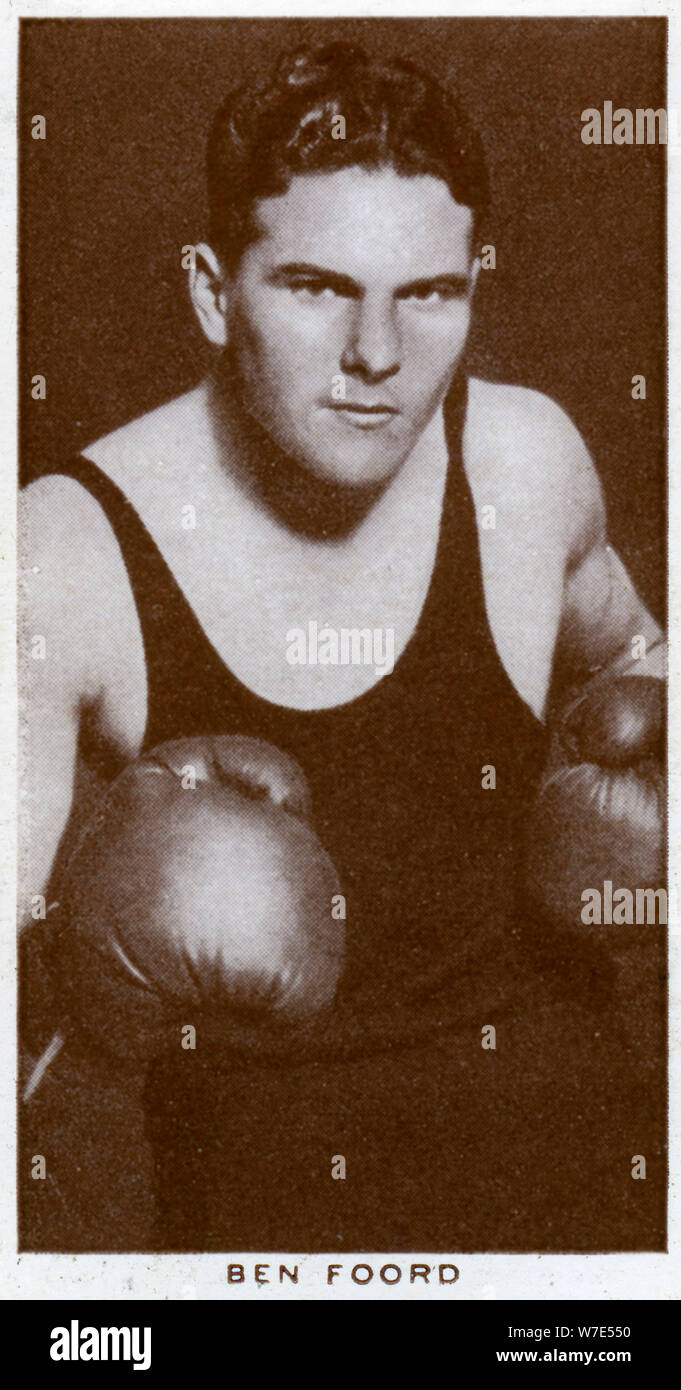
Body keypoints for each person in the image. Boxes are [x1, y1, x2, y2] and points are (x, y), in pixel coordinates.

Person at [19, 43, 665, 1251]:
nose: (378, 353)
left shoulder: (523, 464)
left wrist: (651, 782)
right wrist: (82, 1006)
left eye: (429, 293)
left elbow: (636, 658)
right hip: (271, 1264)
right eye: (317, 287)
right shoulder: (63, 556)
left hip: (596, 1234)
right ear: (213, 292)